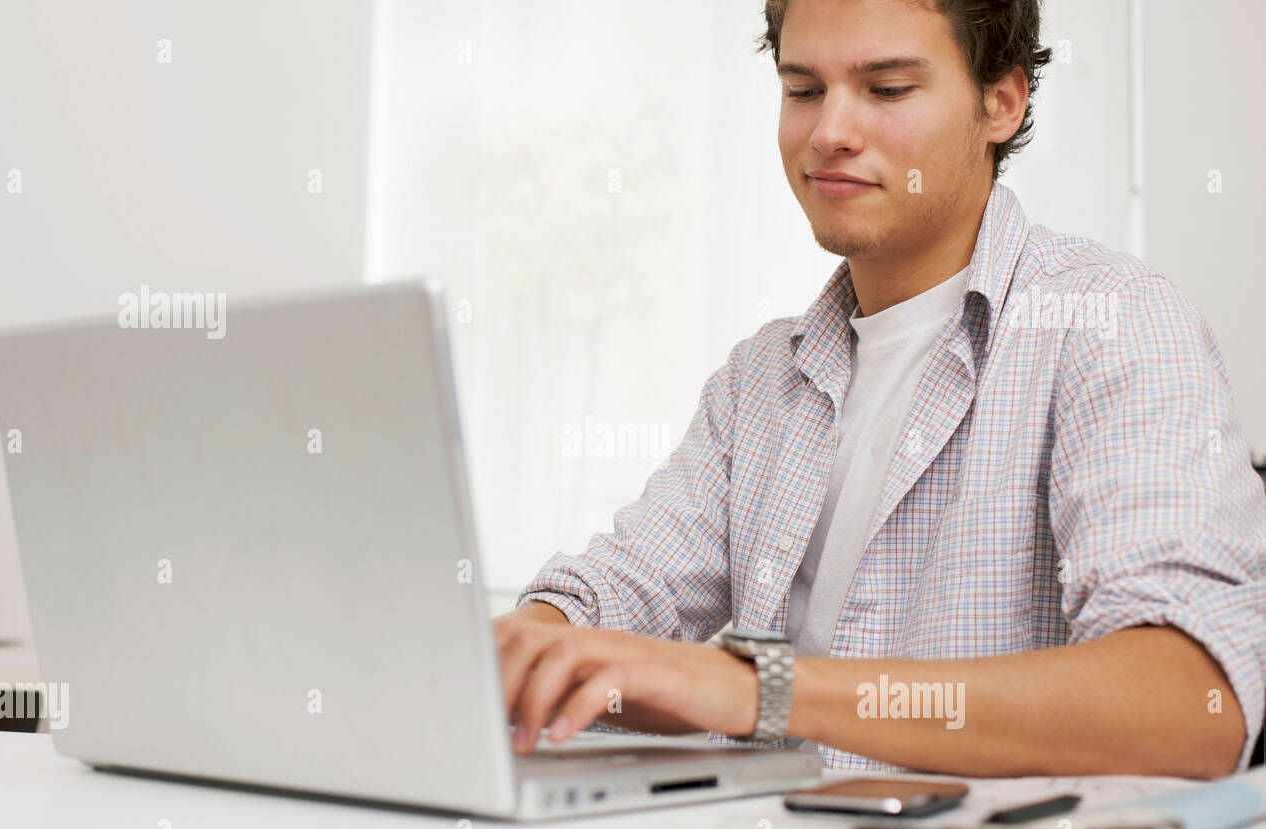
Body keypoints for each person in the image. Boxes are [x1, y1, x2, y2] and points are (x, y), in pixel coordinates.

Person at [494, 0, 1266, 778]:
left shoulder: (1111, 323)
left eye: (887, 89)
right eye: (802, 90)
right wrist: (536, 638)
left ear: (1002, 101)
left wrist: (761, 689)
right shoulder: (761, 378)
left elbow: (1192, 704)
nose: (829, 131)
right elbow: (627, 584)